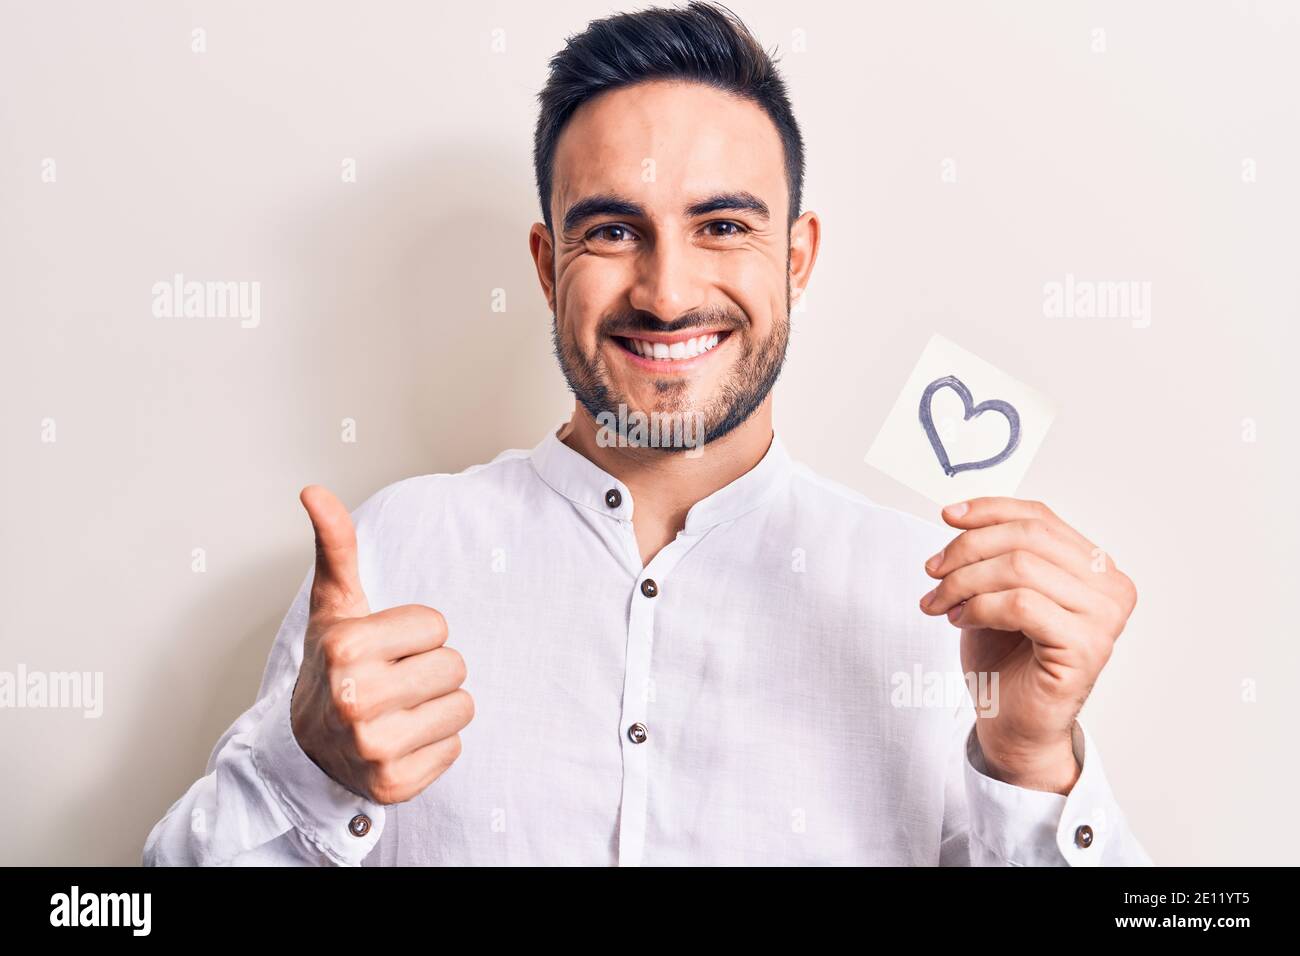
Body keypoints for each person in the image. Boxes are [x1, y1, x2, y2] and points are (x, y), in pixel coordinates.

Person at [144, 1, 1149, 866]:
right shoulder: (392, 558)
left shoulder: (946, 608)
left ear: (796, 258)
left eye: (721, 226)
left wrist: (1030, 766)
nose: (667, 293)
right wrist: (303, 770)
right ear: (546, 265)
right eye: (613, 230)